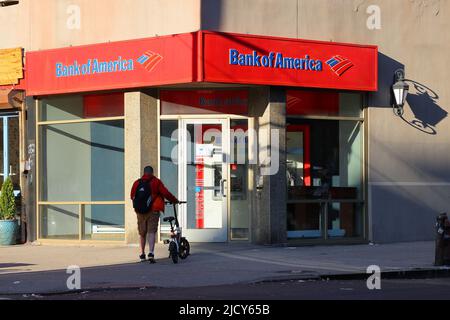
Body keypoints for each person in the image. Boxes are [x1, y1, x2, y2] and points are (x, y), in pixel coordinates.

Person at [130, 166, 178, 263]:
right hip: (153, 210)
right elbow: (166, 193)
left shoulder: (137, 183)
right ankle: (151, 253)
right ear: (152, 172)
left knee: (142, 233)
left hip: (140, 211)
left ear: (143, 173)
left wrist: (141, 205)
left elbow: (132, 196)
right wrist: (174, 200)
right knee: (151, 232)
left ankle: (142, 254)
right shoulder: (156, 182)